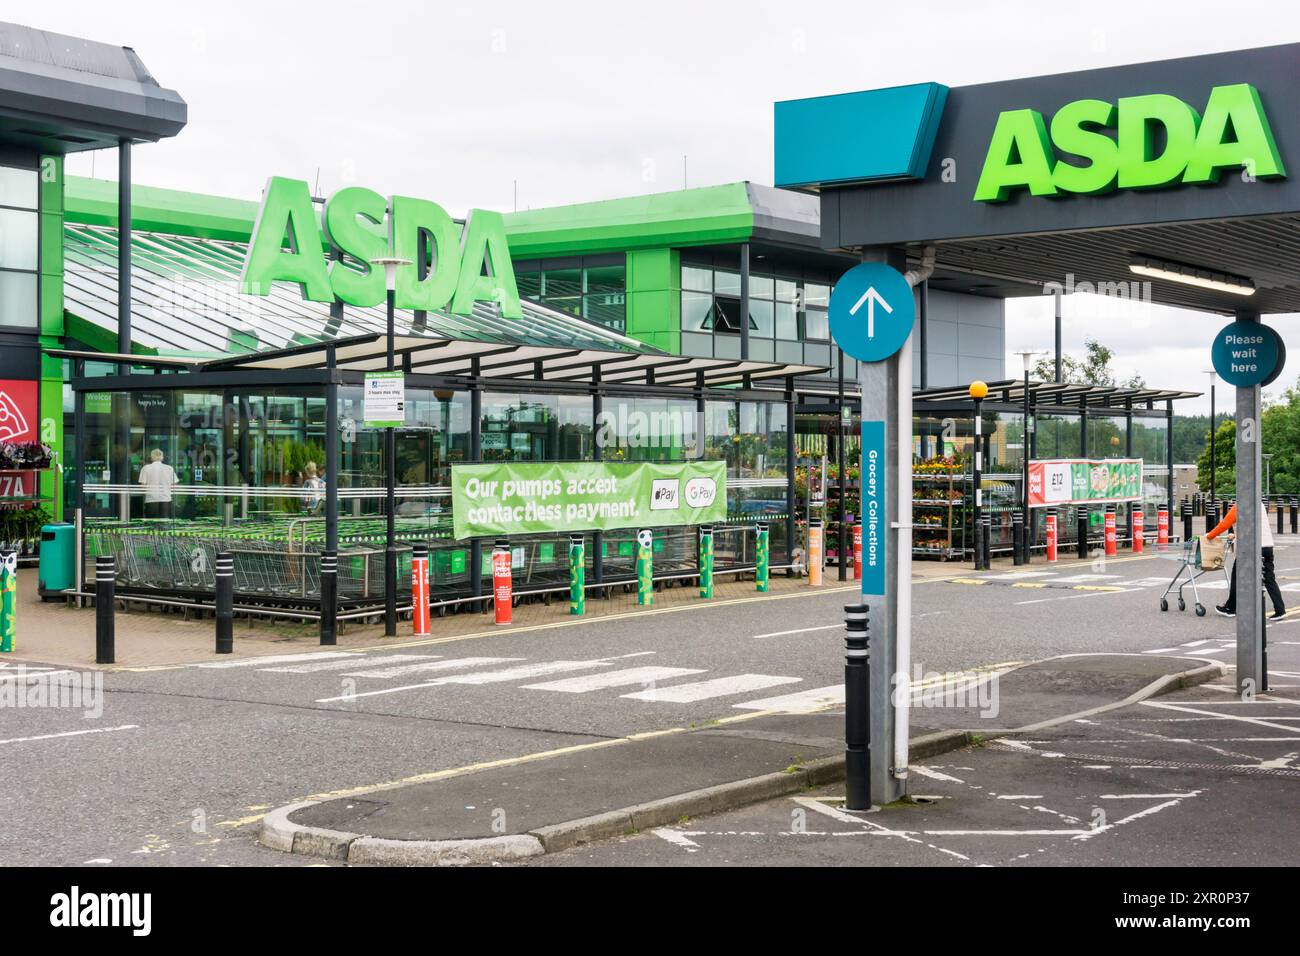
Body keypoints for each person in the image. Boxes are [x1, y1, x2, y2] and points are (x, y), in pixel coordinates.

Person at [1206, 501, 1285, 619]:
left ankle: (1230, 608)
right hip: (1267, 546)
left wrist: (1208, 536)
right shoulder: (1261, 504)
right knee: (1269, 578)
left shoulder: (1241, 505)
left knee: (1237, 577)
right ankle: (1280, 610)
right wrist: (1236, 535)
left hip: (1249, 548)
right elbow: (1253, 526)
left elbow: (1224, 525)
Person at [138, 449, 177, 519]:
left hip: (151, 500)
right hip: (166, 499)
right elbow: (174, 485)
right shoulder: (169, 468)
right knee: (165, 523)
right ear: (162, 457)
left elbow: (142, 486)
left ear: (151, 457)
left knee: (151, 524)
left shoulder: (146, 468)